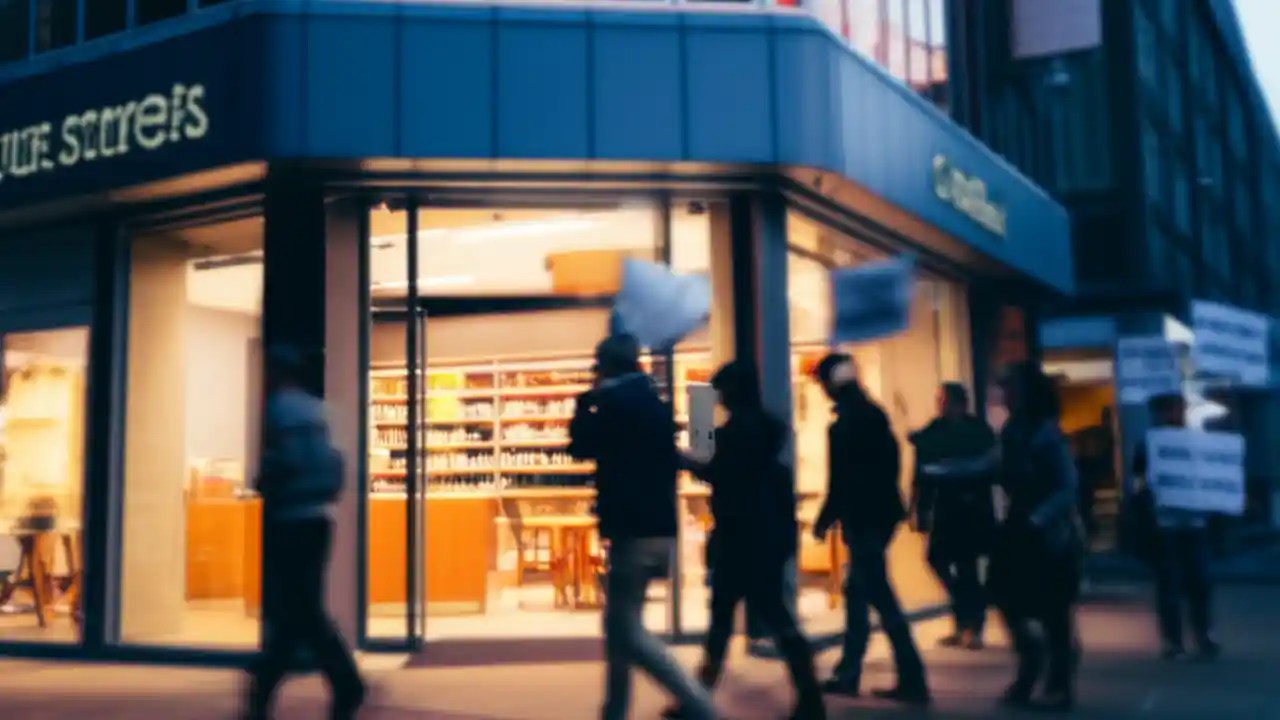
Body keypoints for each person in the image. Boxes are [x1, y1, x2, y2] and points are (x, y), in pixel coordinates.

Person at [568, 334, 717, 720]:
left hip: (630, 529)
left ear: (605, 365)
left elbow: (580, 446)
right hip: (660, 526)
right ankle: (614, 709)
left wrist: (583, 404)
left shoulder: (612, 403)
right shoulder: (655, 403)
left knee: (625, 629)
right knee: (621, 626)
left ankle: (699, 704)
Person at [665, 360, 825, 720]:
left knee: (723, 621)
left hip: (738, 537)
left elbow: (717, 472)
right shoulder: (770, 430)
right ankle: (809, 695)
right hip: (767, 535)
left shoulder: (735, 434)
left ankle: (698, 698)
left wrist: (684, 458)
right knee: (777, 619)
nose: (718, 398)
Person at [245, 346, 365, 720]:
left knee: (299, 610)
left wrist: (264, 481)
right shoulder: (321, 411)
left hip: (289, 519)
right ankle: (264, 692)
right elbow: (339, 464)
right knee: (299, 609)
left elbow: (278, 466)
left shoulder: (279, 410)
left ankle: (344, 683)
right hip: (320, 517)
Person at [811, 353, 928, 704]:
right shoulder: (875, 416)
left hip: (863, 520)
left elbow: (841, 480)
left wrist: (824, 518)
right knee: (860, 593)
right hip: (879, 516)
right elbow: (888, 466)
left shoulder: (845, 425)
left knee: (877, 596)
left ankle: (910, 676)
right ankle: (851, 671)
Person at [988, 362, 1083, 712]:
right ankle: (1031, 663)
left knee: (1054, 611)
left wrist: (1038, 518)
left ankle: (1057, 684)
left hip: (1048, 533)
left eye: (1011, 387)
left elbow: (1067, 486)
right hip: (1019, 526)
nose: (1005, 394)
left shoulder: (1045, 433)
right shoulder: (1012, 430)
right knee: (1006, 597)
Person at [1131, 392, 1220, 661]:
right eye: (1169, 410)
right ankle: (1174, 640)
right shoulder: (1149, 445)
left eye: (1177, 409)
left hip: (1194, 522)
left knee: (1200, 581)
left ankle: (1203, 634)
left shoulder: (1195, 442)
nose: (1174, 414)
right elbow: (1138, 481)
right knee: (1170, 583)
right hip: (1165, 523)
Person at [910, 383, 998, 651]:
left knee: (967, 566)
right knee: (937, 559)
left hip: (971, 509)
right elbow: (921, 475)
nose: (941, 405)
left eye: (945, 400)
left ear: (960, 404)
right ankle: (965, 618)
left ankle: (971, 626)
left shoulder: (977, 432)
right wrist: (920, 510)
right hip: (946, 508)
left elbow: (990, 470)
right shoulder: (934, 431)